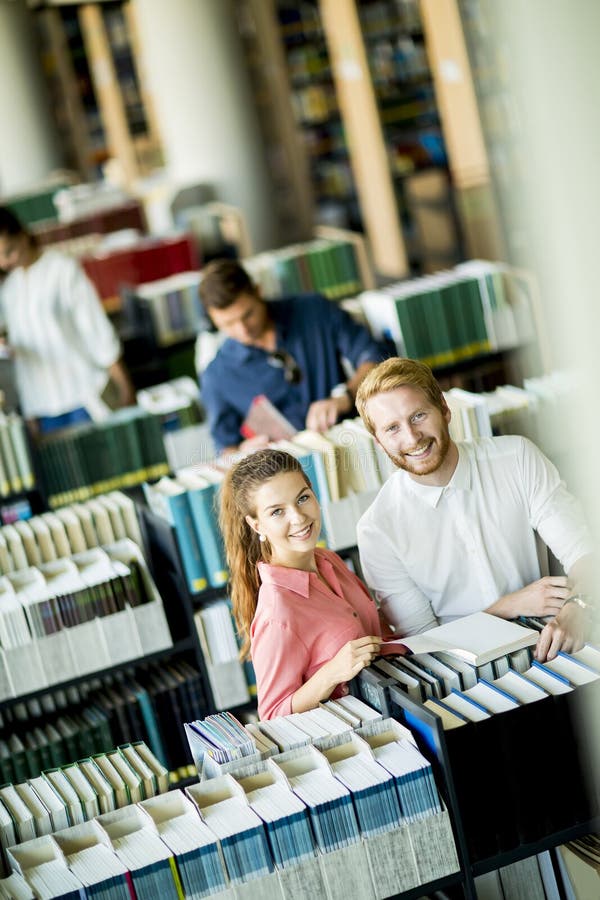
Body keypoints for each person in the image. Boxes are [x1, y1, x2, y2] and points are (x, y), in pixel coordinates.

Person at [355, 357, 595, 663]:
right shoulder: (377, 529)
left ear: (444, 409)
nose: (411, 437)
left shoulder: (516, 458)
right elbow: (425, 645)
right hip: (464, 676)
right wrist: (506, 607)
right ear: (379, 442)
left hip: (550, 645)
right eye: (392, 428)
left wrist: (579, 606)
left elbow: (584, 554)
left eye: (418, 415)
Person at [219, 448, 388, 720]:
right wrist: (332, 673)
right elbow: (273, 716)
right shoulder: (278, 612)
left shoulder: (328, 560)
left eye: (303, 498)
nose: (298, 518)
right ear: (256, 525)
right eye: (277, 512)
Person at [199, 259, 388, 455]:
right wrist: (242, 452)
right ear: (213, 320)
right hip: (284, 473)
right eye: (228, 324)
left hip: (355, 444)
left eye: (248, 315)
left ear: (258, 291)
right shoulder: (216, 377)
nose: (243, 330)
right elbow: (224, 448)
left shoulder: (314, 311)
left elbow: (375, 359)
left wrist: (345, 396)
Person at [0, 206, 135, 437]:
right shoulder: (9, 288)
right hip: (42, 408)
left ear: (22, 235)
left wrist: (124, 385)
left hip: (82, 397)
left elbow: (96, 329)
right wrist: (30, 411)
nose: (5, 262)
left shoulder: (61, 269)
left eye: (9, 251)